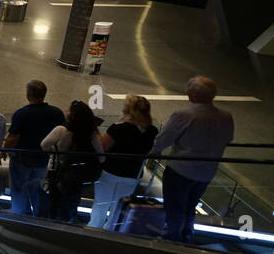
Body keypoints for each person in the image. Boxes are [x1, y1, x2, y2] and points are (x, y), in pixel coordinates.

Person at [149, 76, 234, 243]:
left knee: (174, 206)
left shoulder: (184, 115)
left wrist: (154, 151)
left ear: (194, 94)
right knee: (190, 206)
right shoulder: (226, 116)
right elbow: (228, 139)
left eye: (188, 89)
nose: (187, 91)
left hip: (180, 170)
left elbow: (164, 139)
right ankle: (187, 234)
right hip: (207, 172)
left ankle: (171, 238)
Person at [90, 95, 157, 231]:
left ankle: (94, 230)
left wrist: (95, 131)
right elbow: (151, 151)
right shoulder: (152, 130)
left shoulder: (118, 128)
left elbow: (103, 147)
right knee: (118, 206)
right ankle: (111, 231)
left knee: (101, 204)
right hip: (133, 174)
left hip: (110, 171)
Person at [3, 80, 67, 217]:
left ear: (28, 95)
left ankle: (20, 215)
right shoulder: (56, 113)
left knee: (19, 188)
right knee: (36, 188)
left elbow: (13, 138)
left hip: (22, 159)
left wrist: (3, 151)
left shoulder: (21, 114)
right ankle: (37, 216)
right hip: (43, 159)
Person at [40, 100, 104, 222]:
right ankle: (69, 220)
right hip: (84, 176)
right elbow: (102, 157)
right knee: (73, 199)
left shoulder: (61, 131)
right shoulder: (91, 134)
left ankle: (54, 222)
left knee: (55, 201)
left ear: (71, 115)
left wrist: (54, 150)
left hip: (62, 175)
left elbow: (45, 146)